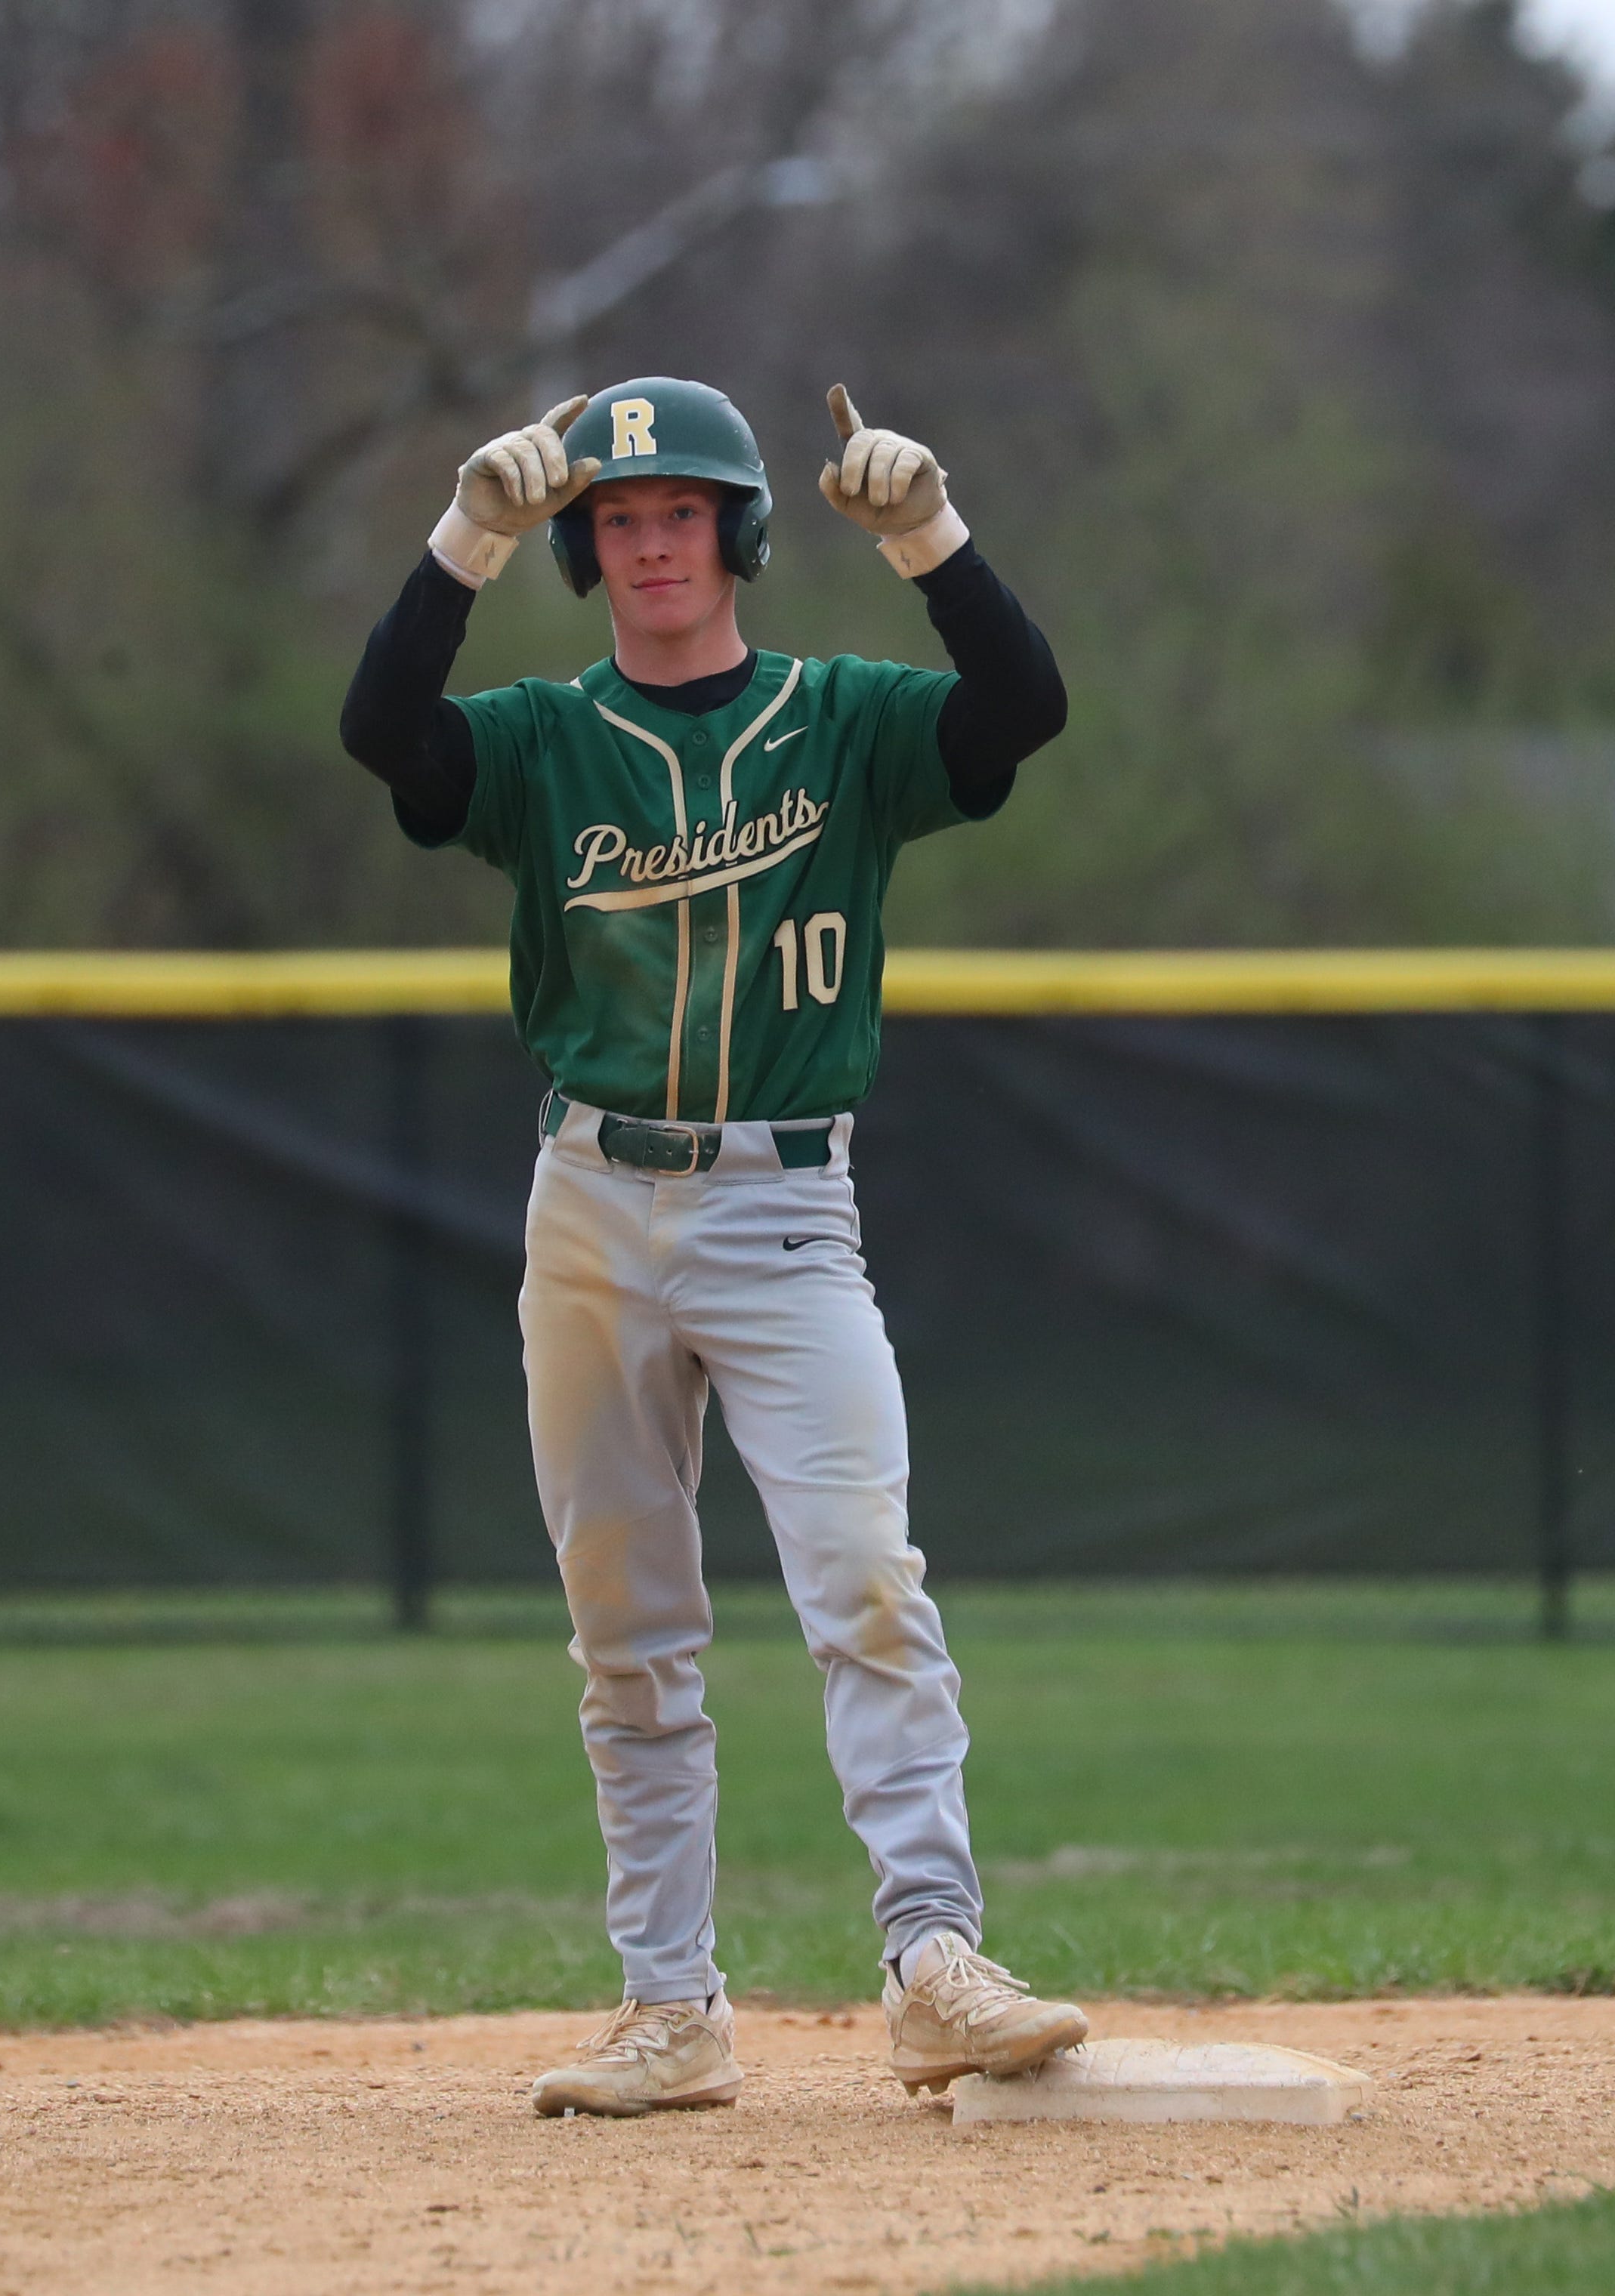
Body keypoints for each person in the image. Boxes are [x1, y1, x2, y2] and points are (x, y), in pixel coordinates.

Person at [339, 376, 1078, 2116]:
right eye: (618, 519)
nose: (650, 541)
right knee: (627, 1628)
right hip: (588, 1204)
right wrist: (467, 536)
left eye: (679, 512)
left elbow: (1020, 706)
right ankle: (669, 2007)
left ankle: (931, 1958)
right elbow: (385, 730)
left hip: (782, 1203)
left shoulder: (845, 725)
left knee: (865, 1577)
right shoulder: (535, 740)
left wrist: (926, 536)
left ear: (738, 535)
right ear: (585, 551)